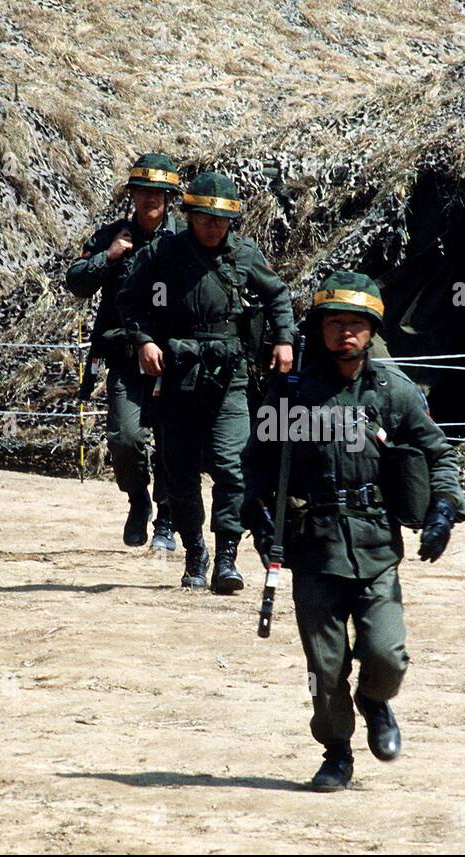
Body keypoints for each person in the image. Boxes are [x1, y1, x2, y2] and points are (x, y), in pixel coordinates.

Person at [242, 271, 465, 791]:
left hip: (375, 544)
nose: (345, 333)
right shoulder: (290, 393)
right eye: (334, 323)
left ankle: (375, 701)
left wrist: (445, 508)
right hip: (312, 545)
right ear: (318, 329)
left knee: (386, 656)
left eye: (356, 325)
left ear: (372, 331)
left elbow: (438, 453)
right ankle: (336, 753)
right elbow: (254, 462)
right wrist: (253, 516)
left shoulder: (395, 391)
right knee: (324, 668)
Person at [118, 171, 295, 592]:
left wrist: (284, 339)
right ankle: (196, 550)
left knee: (233, 468)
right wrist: (143, 340)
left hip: (229, 377)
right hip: (178, 377)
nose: (214, 226)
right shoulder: (164, 253)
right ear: (190, 216)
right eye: (205, 218)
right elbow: (130, 298)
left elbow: (277, 296)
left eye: (222, 219)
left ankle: (228, 556)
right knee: (179, 473)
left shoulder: (244, 255)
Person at [66, 153, 184, 551]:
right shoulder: (112, 236)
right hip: (124, 355)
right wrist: (109, 256)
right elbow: (76, 281)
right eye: (143, 191)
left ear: (170, 198)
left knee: (172, 442)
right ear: (131, 194)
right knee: (125, 438)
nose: (150, 199)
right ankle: (139, 500)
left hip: (174, 357)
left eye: (159, 193)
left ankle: (167, 520)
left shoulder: (184, 240)